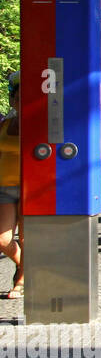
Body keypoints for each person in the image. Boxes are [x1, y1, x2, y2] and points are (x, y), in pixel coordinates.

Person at [0, 76, 22, 299]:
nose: (20, 102)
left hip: (29, 187)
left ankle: (22, 279)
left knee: (26, 237)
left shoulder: (38, 125)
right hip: (4, 186)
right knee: (3, 239)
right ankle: (24, 264)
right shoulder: (5, 124)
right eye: (17, 98)